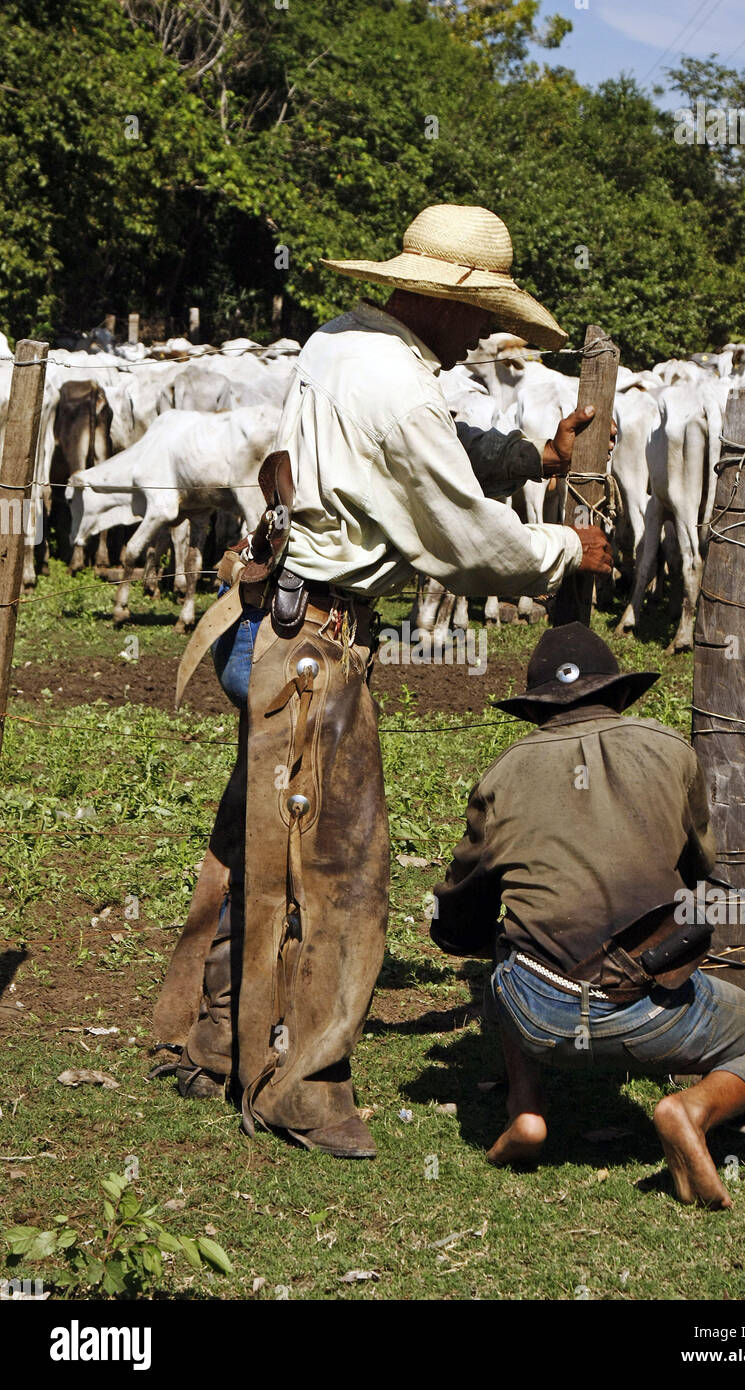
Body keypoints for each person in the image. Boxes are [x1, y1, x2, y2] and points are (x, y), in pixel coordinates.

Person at [152, 203, 615, 1159]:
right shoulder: (400, 388)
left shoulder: (342, 343)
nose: (486, 332)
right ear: (448, 304)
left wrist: (534, 456)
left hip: (267, 619)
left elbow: (409, 456)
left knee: (257, 846)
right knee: (341, 873)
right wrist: (570, 542)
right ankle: (303, 1091)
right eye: (482, 314)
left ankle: (209, 1044)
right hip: (316, 650)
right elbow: (464, 538)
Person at [432, 622, 745, 1208]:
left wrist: (471, 935)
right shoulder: (671, 751)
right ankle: (691, 1108)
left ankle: (526, 1114)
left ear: (537, 709)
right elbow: (703, 871)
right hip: (649, 1008)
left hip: (537, 1013)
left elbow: (463, 908)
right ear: (618, 695)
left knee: (506, 951)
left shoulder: (500, 776)